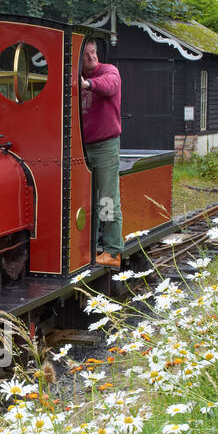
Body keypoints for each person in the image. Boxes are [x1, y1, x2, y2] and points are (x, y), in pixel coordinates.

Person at [80, 38, 123, 269]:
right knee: (87, 200)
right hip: (82, 145)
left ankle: (113, 250)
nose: (92, 57)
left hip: (106, 145)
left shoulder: (109, 71)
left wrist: (86, 85)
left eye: (94, 52)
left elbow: (109, 86)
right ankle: (90, 247)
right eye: (87, 54)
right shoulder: (75, 79)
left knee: (107, 199)